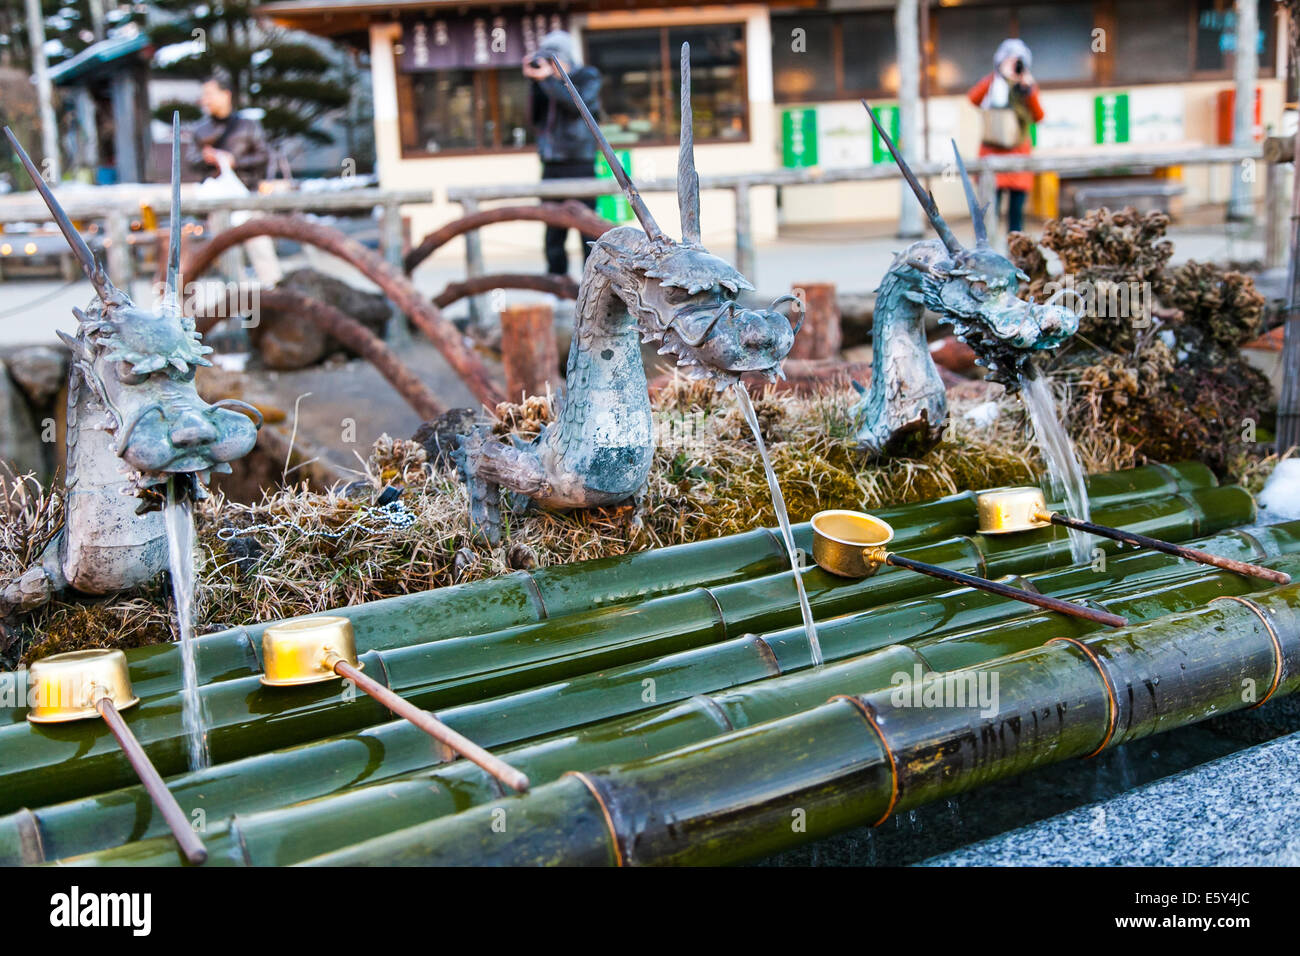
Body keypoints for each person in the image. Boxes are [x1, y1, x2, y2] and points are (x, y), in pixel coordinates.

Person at [523, 31, 601, 276]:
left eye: (553, 57)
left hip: (580, 162)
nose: (548, 63)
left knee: (587, 228)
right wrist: (537, 82)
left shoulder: (587, 76)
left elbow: (576, 105)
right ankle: (556, 284)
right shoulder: (546, 84)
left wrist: (551, 80)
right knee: (553, 231)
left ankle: (592, 285)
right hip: (551, 164)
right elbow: (534, 118)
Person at [966, 38, 1043, 235]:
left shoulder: (1027, 87)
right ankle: (988, 257)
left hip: (1019, 156)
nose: (1013, 64)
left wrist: (1028, 89)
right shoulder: (992, 83)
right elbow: (973, 98)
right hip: (992, 154)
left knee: (1016, 216)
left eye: (1018, 61)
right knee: (990, 213)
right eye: (1009, 59)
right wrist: (998, 75)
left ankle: (1015, 256)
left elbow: (1038, 116)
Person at [187, 70, 269, 190]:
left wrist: (234, 161)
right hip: (213, 190)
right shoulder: (201, 129)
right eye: (204, 95)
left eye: (209, 94)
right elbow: (191, 160)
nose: (205, 100)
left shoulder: (248, 125)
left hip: (245, 189)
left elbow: (263, 156)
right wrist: (206, 158)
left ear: (226, 94)